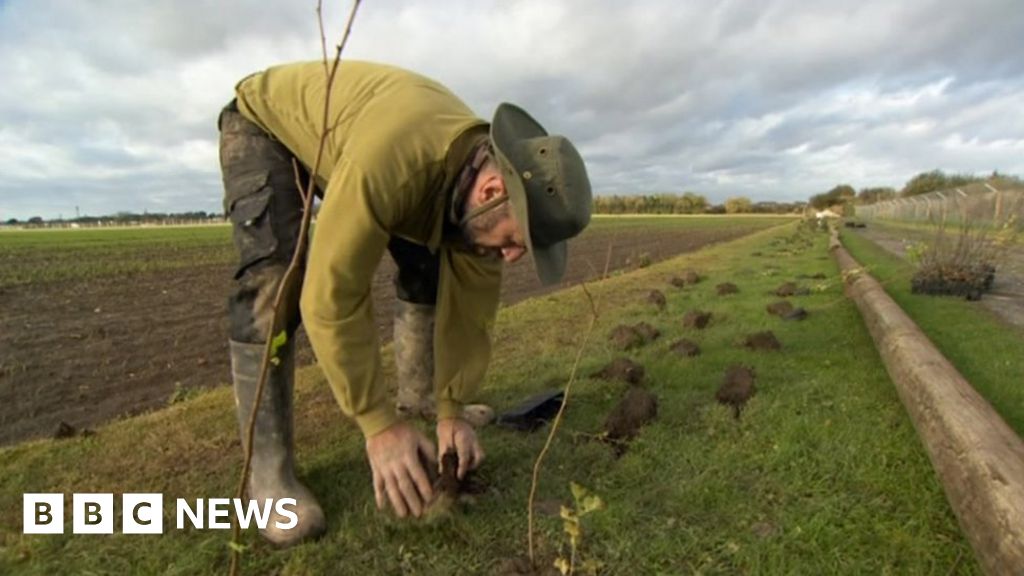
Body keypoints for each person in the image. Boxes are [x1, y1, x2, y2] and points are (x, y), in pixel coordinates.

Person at [217, 60, 592, 546]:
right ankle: (268, 479)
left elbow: (471, 310)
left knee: (435, 264)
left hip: (367, 151)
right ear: (493, 191)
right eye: (518, 240)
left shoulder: (477, 196)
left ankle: (419, 401)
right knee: (275, 286)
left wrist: (451, 408)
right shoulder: (399, 162)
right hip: (266, 126)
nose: (514, 256)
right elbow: (334, 294)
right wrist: (377, 426)